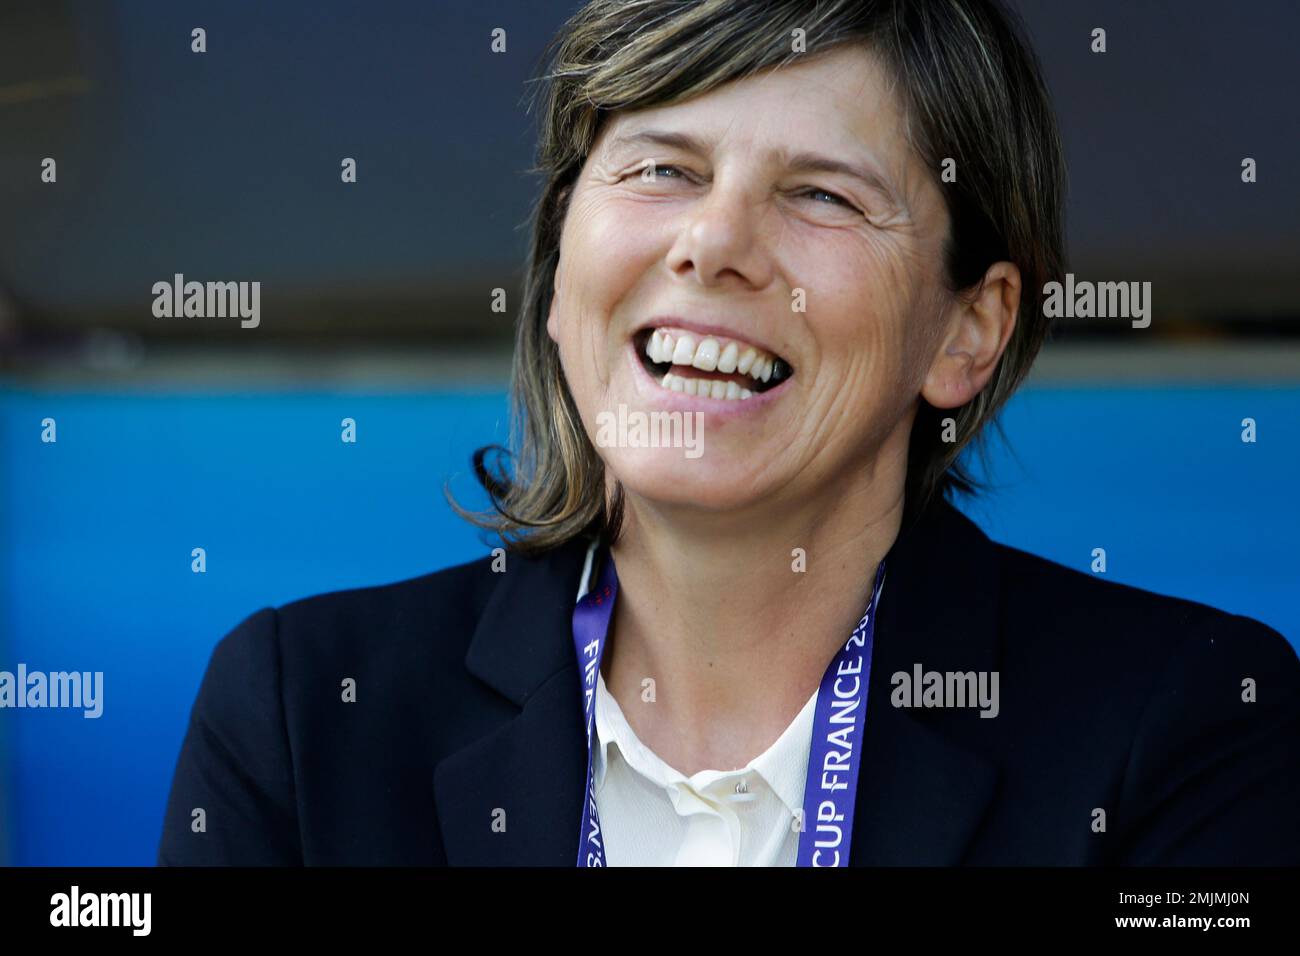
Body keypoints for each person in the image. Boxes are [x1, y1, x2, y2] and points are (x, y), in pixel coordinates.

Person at [158, 0, 1300, 866]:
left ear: (969, 326)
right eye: (662, 168)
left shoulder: (1189, 725)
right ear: (558, 272)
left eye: (821, 195)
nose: (712, 242)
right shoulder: (306, 714)